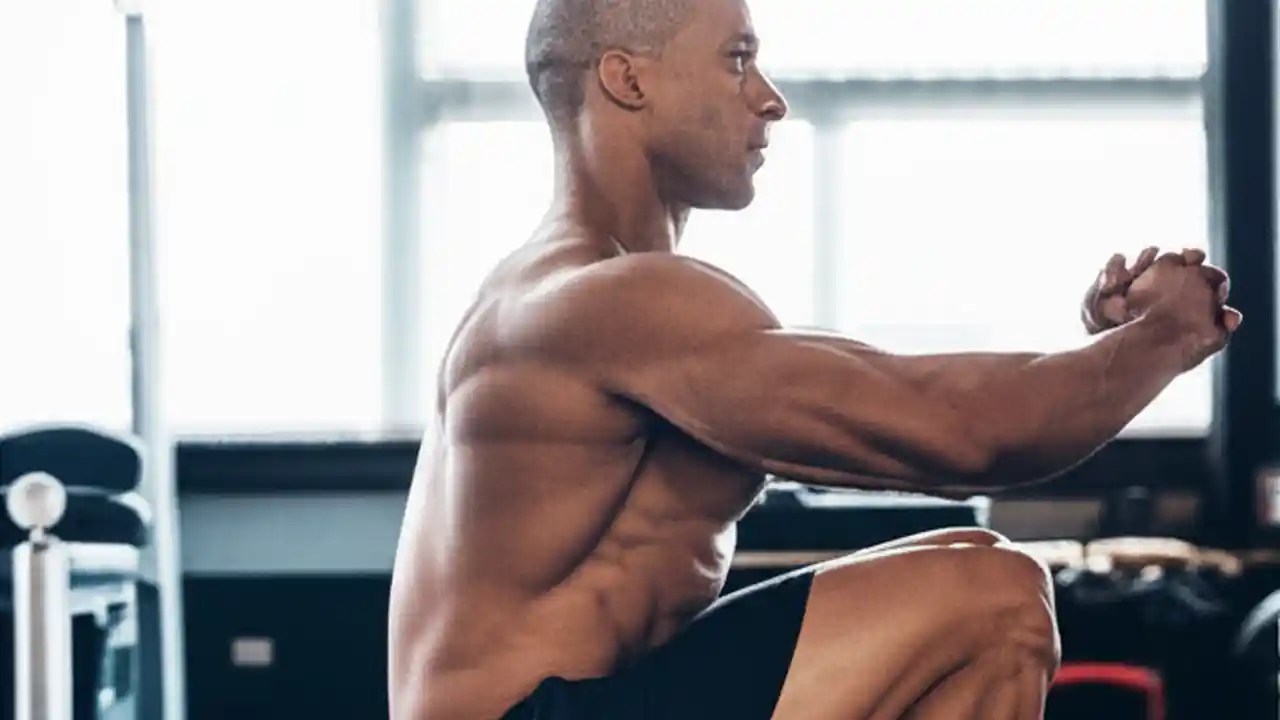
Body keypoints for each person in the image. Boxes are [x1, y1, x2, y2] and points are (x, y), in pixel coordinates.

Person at [386, 0, 1242, 718]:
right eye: (737, 60)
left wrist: (1102, 357)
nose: (772, 100)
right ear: (627, 78)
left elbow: (930, 404)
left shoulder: (616, 296)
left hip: (601, 698)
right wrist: (1161, 339)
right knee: (993, 596)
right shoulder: (602, 301)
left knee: (979, 598)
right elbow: (962, 434)